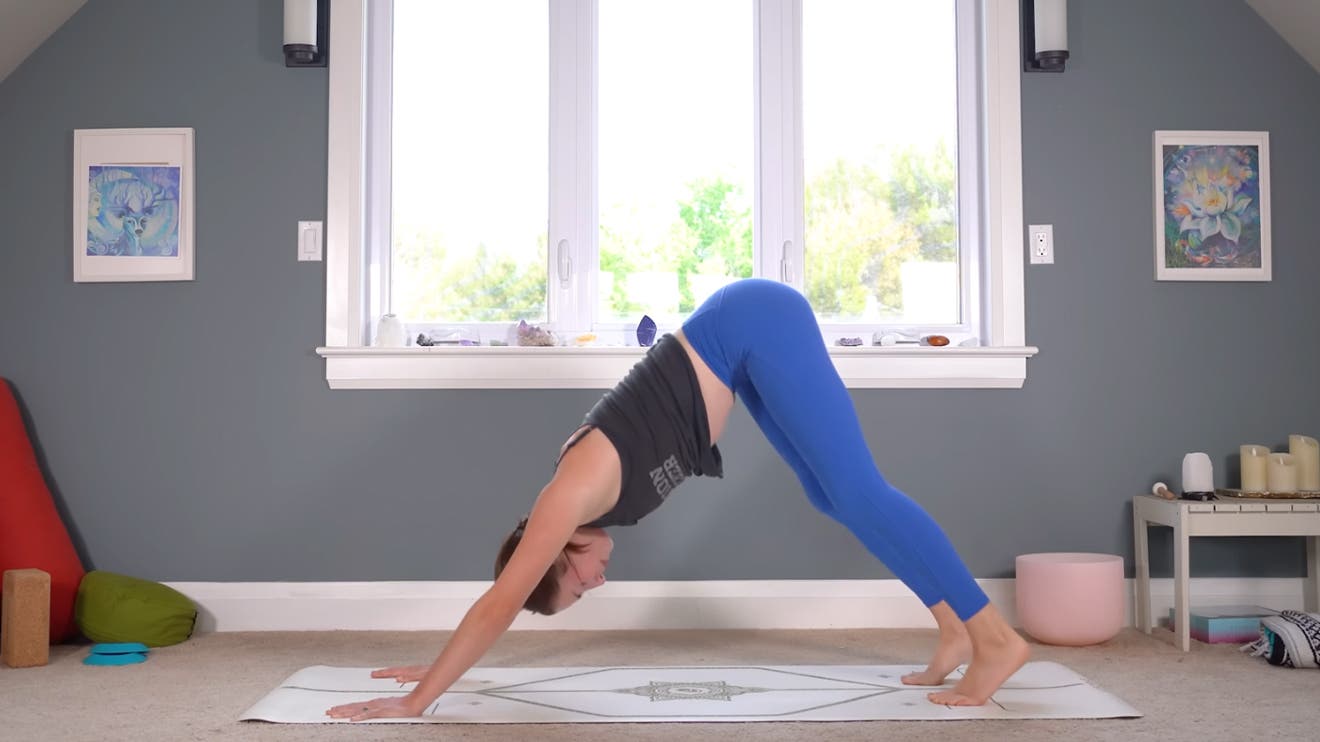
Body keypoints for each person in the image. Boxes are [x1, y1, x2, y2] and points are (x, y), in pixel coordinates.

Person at [327, 278, 1028, 721]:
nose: (598, 580)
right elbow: (507, 604)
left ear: (559, 553)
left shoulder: (567, 496)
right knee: (831, 496)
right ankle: (952, 628)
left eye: (581, 584)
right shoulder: (586, 511)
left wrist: (419, 700)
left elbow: (499, 602)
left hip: (754, 320)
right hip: (741, 345)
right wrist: (444, 663)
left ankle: (993, 637)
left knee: (859, 488)